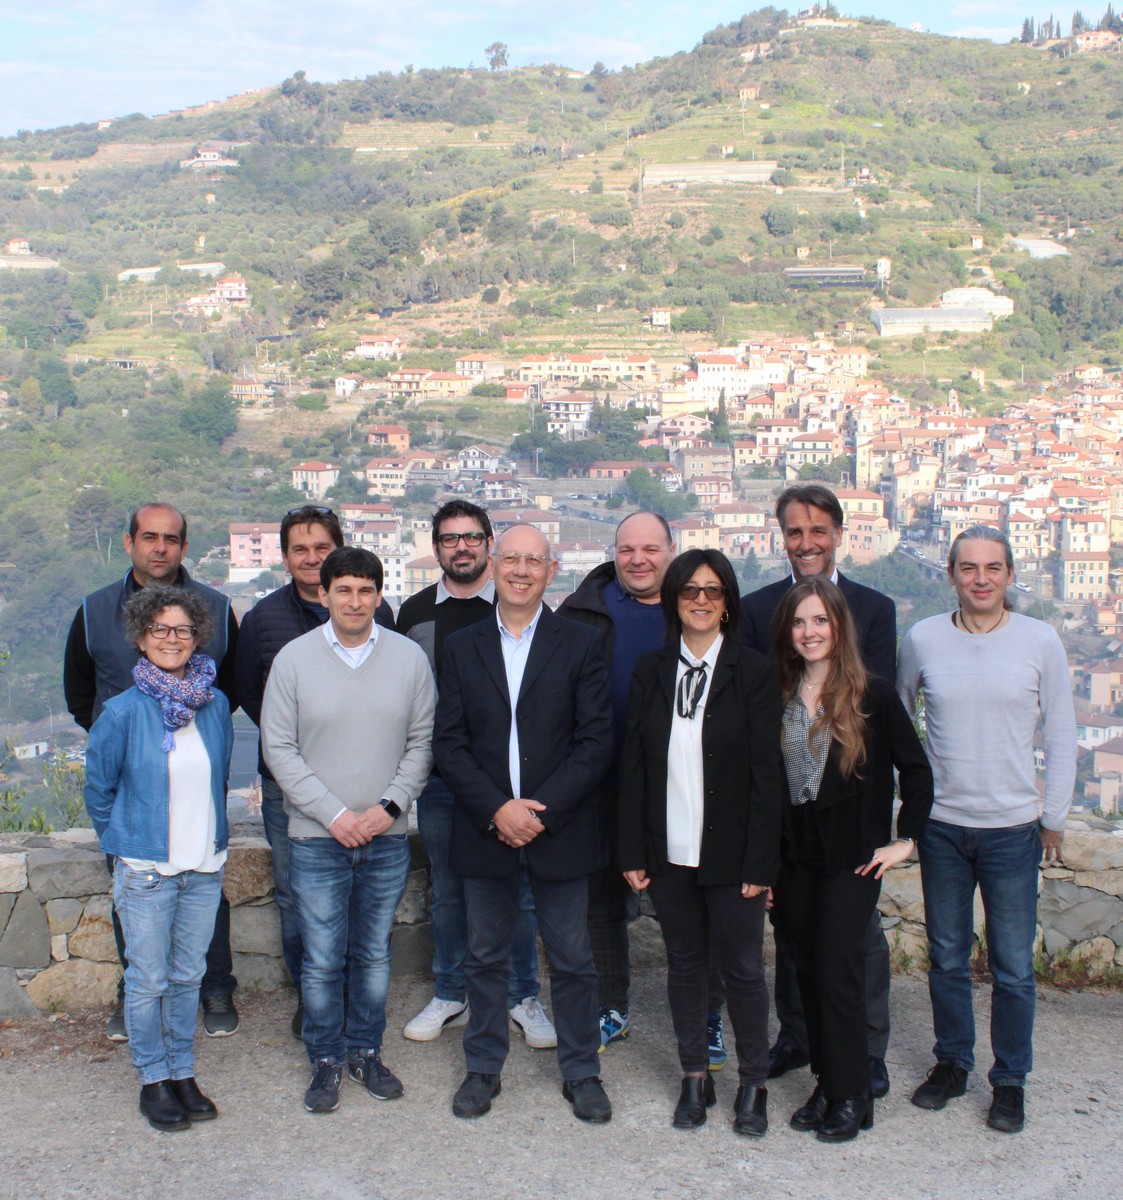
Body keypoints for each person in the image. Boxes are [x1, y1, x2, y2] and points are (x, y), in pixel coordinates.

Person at [433, 525, 614, 1123]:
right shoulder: (461, 646)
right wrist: (497, 809)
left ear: (551, 569)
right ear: (492, 562)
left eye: (533, 560)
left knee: (572, 959)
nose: (520, 569)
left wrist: (538, 811)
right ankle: (483, 1068)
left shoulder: (582, 643)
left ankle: (581, 1071)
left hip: (558, 827)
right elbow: (450, 744)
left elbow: (594, 743)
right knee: (483, 957)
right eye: (510, 557)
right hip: (486, 825)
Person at [898, 526, 1077, 1135]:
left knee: (1013, 967)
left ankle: (1009, 1081)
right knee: (946, 957)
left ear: (1008, 575)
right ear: (950, 573)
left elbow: (1060, 731)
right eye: (969, 567)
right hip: (943, 827)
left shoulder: (1040, 640)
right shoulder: (922, 639)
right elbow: (899, 726)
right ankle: (952, 1063)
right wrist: (908, 810)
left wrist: (1054, 815)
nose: (981, 579)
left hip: (1012, 830)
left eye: (993, 568)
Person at [260, 547, 435, 1114]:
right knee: (321, 956)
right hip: (316, 838)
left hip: (385, 836)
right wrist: (333, 814)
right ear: (323, 594)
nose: (355, 601)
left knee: (374, 953)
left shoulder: (409, 660)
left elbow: (422, 743)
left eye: (365, 590)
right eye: (343, 590)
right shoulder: (293, 659)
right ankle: (326, 1058)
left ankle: (365, 1049)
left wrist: (388, 807)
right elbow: (278, 749)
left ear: (379, 595)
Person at [618, 549, 782, 1136]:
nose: (702, 600)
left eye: (714, 591)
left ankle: (754, 1083)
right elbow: (634, 766)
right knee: (684, 965)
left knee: (741, 969)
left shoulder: (755, 672)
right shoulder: (650, 669)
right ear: (674, 600)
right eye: (690, 591)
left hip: (733, 855)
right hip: (668, 853)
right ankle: (695, 1076)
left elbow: (770, 776)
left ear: (729, 602)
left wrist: (763, 861)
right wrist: (632, 852)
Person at [740, 484, 897, 1097]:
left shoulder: (874, 608)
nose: (806, 543)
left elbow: (878, 712)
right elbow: (758, 709)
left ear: (839, 533)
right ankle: (799, 1038)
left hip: (851, 806)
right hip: (787, 803)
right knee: (794, 930)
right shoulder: (756, 610)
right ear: (782, 537)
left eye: (817, 531)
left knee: (859, 938)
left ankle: (867, 1050)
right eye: (794, 532)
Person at [64, 502, 240, 1041]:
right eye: (149, 537)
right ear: (129, 542)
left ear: (184, 547)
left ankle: (215, 987)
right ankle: (134, 991)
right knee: (132, 895)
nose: (159, 547)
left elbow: (226, 694)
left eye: (170, 538)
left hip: (194, 779)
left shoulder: (217, 607)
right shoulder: (94, 612)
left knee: (207, 886)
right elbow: (80, 697)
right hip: (131, 788)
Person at [771, 577, 932, 1142]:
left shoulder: (874, 695)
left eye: (820, 620)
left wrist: (904, 841)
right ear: (787, 631)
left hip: (851, 858)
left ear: (838, 626)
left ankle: (852, 1091)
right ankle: (829, 1082)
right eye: (799, 622)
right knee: (807, 971)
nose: (809, 632)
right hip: (794, 857)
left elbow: (916, 771)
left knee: (839, 970)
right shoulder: (779, 692)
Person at [397, 501, 553, 1049]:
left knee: (523, 891)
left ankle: (521, 995)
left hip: (514, 783)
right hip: (445, 780)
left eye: (471, 537)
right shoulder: (413, 612)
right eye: (449, 538)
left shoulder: (518, 605)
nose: (461, 547)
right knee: (448, 890)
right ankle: (451, 990)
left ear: (489, 543)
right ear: (436, 546)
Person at [234, 504, 394, 1040]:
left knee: (360, 894)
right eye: (299, 549)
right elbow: (250, 694)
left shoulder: (377, 612)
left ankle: (349, 994)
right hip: (289, 787)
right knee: (292, 894)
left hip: (365, 787)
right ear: (285, 558)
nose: (310, 557)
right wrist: (302, 750)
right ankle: (313, 996)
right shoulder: (262, 618)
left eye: (321, 547)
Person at [84, 586, 234, 1132]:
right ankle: (153, 1077)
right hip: (146, 871)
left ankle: (182, 1070)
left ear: (198, 638)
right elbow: (98, 791)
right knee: (148, 980)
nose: (172, 639)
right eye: (160, 630)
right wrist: (127, 842)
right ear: (141, 639)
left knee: (189, 975)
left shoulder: (213, 706)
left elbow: (217, 779)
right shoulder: (122, 712)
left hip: (203, 867)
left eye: (182, 630)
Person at [559, 511, 688, 1055]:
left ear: (672, 550)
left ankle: (703, 1014)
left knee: (689, 909)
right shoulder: (583, 610)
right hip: (600, 786)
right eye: (627, 549)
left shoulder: (699, 606)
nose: (638, 559)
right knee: (601, 907)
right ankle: (610, 1007)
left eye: (650, 549)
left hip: (681, 789)